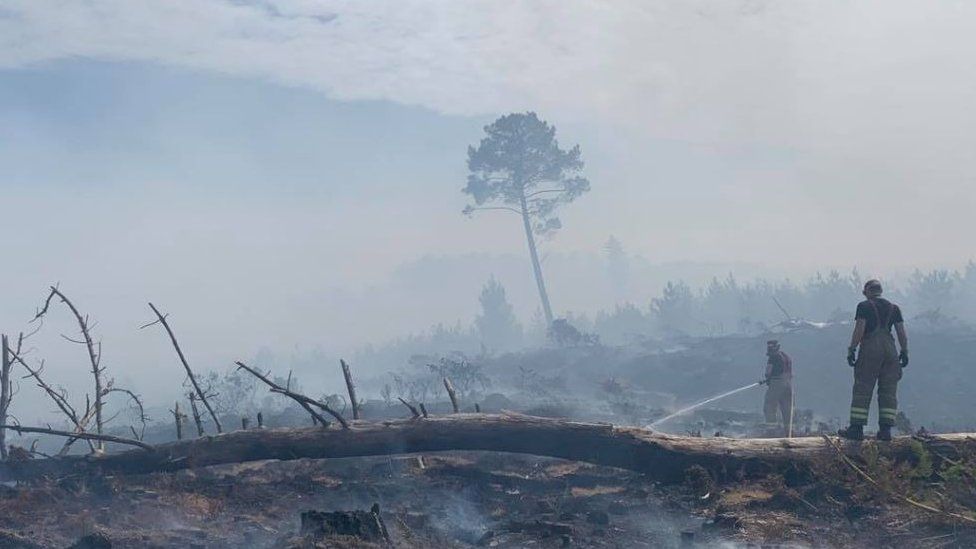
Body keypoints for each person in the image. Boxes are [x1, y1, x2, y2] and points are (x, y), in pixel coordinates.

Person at [839, 279, 909, 441]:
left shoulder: (864, 306)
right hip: (890, 350)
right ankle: (885, 431)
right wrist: (904, 351)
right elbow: (901, 332)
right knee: (888, 391)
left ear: (867, 292)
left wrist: (852, 349)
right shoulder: (894, 308)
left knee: (862, 388)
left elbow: (859, 328)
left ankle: (856, 429)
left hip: (871, 348)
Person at [763, 340, 793, 434]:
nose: (769, 349)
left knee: (769, 406)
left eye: (770, 347)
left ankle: (771, 431)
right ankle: (789, 432)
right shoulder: (786, 356)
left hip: (777, 383)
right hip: (788, 385)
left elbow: (768, 372)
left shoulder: (773, 357)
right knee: (787, 408)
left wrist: (768, 379)